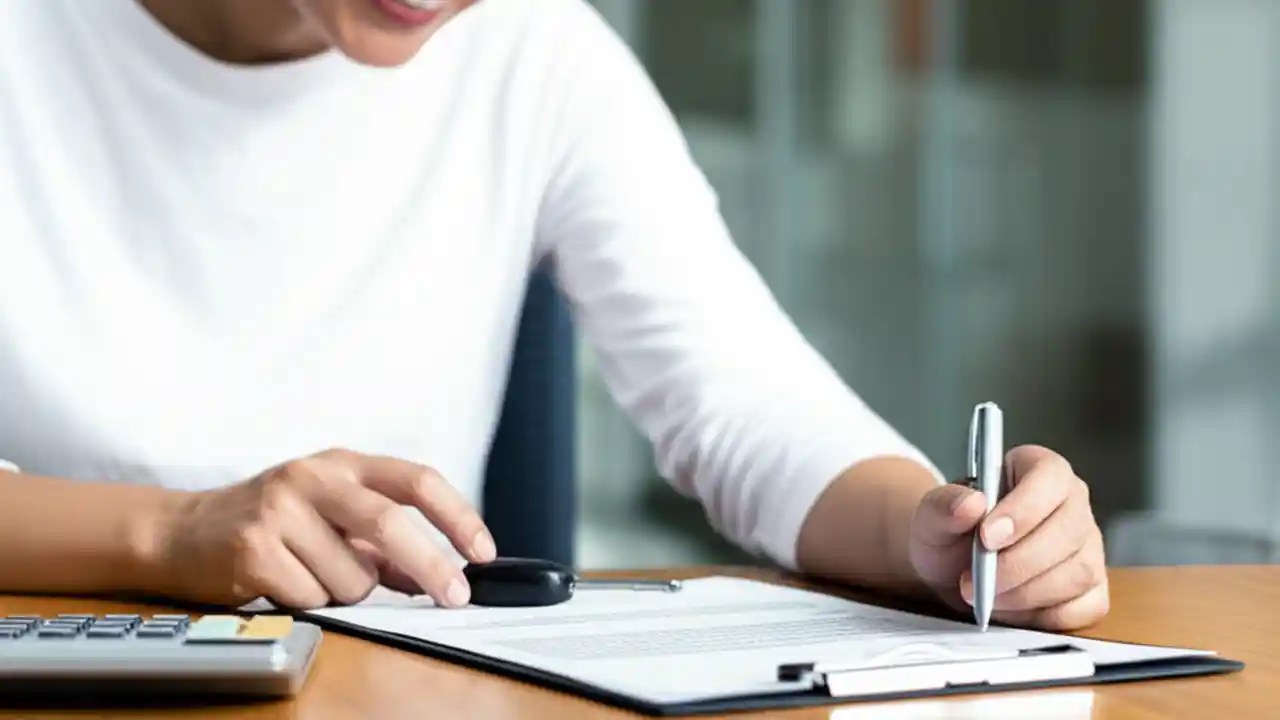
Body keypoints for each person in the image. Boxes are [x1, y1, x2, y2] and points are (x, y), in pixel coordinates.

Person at [0, 0, 1107, 630]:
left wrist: (936, 539)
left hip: (392, 693)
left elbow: (748, 406)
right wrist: (172, 536)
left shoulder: (535, 55)